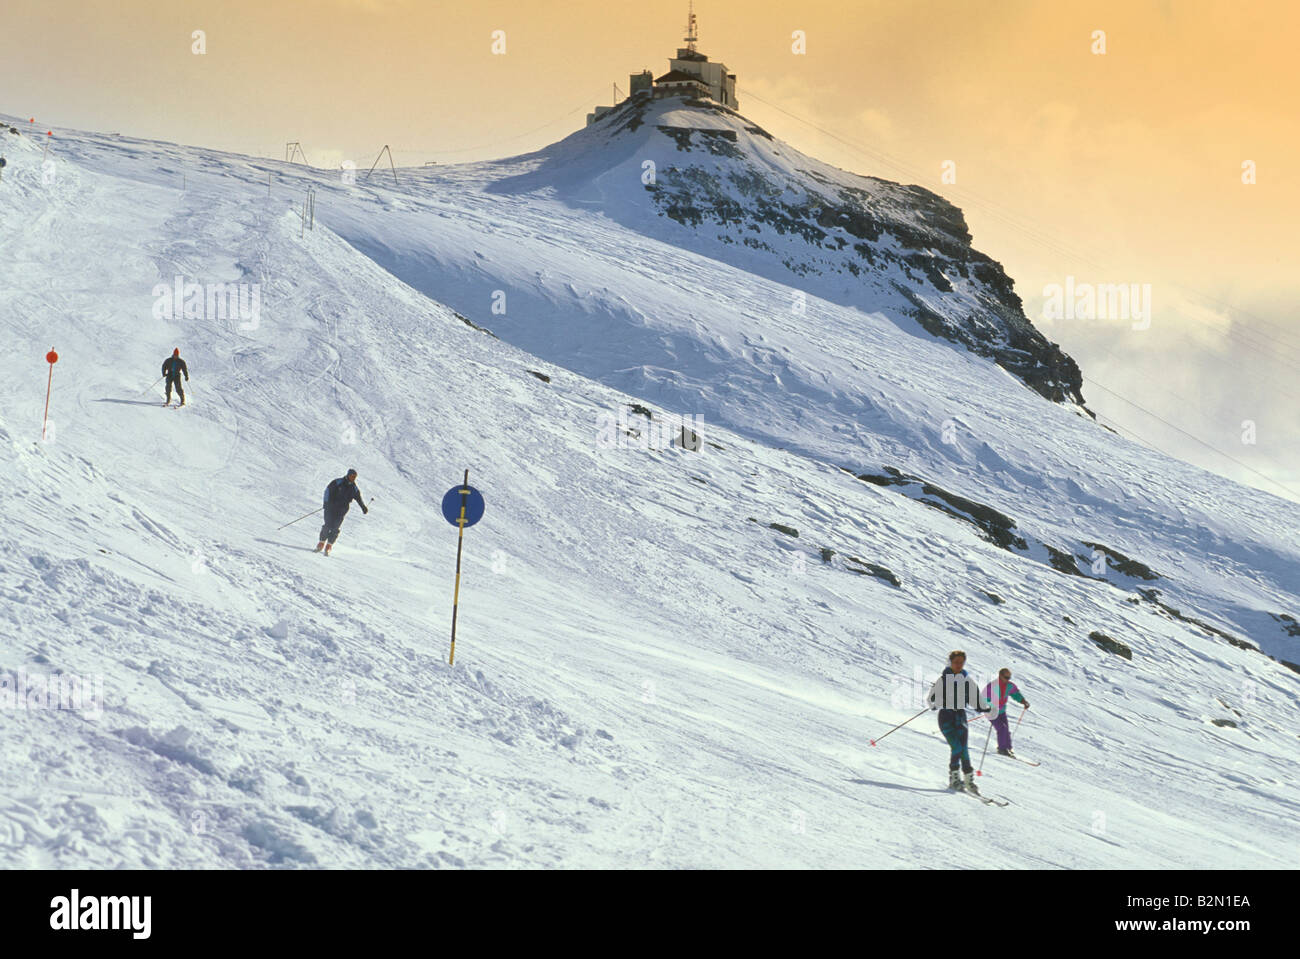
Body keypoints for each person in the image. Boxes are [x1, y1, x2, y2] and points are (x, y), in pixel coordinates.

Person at [927, 649, 993, 792]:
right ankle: (954, 779)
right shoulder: (943, 680)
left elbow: (975, 699)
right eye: (956, 662)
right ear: (950, 662)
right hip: (946, 717)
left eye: (961, 663)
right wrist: (940, 701)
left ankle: (969, 780)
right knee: (956, 747)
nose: (958, 665)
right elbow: (931, 700)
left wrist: (985, 708)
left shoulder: (966, 680)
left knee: (964, 748)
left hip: (960, 717)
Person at [315, 469, 368, 555]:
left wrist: (363, 507)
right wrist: (326, 503)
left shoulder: (354, 487)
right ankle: (321, 543)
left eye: (355, 477)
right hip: (330, 508)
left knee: (335, 528)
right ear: (348, 475)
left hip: (342, 510)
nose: (353, 478)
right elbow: (327, 491)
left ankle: (329, 545)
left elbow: (358, 498)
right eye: (352, 476)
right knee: (327, 525)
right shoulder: (337, 482)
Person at [983, 668, 1029, 757]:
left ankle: (1008, 748)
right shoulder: (992, 686)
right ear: (1000, 676)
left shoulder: (1009, 686)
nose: (1008, 679)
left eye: (1009, 677)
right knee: (1002, 728)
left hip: (1002, 711)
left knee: (1006, 730)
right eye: (1006, 677)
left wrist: (1023, 701)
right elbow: (984, 698)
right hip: (991, 712)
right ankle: (1002, 749)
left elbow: (1015, 694)